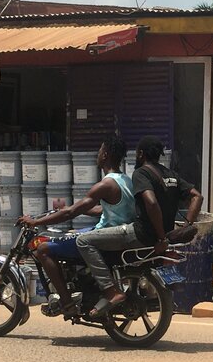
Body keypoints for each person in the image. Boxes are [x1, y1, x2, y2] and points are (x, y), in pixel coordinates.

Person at [77, 135, 203, 318]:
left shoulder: (141, 173)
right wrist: (186, 225)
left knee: (83, 241)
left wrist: (161, 238)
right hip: (159, 235)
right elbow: (197, 196)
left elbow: (151, 203)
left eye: (137, 153)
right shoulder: (171, 175)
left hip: (140, 233)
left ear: (141, 154)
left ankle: (110, 291)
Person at [19, 135, 134, 318]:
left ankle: (67, 303)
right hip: (117, 234)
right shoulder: (125, 180)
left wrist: (36, 222)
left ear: (105, 155)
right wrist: (76, 209)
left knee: (43, 249)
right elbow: (104, 209)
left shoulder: (105, 184)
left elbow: (70, 214)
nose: (97, 154)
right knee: (73, 234)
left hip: (104, 236)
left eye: (99, 151)